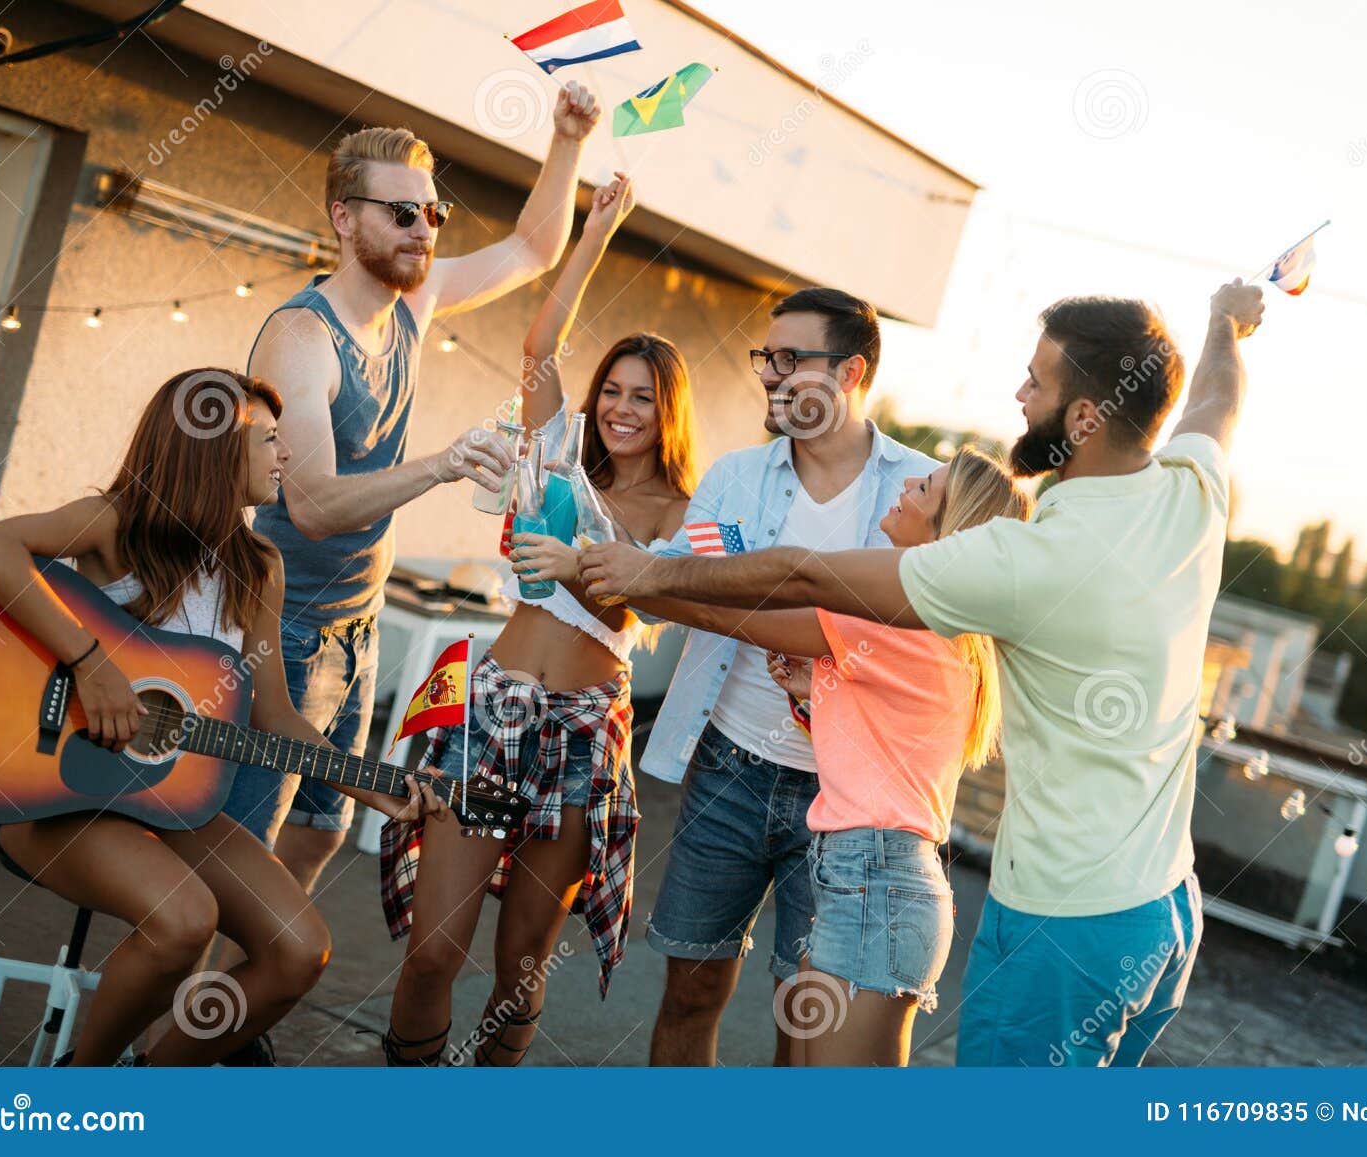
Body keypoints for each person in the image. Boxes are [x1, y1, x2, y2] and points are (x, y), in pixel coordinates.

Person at [582, 278, 1267, 1068]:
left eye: (1037, 383)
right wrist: (1226, 326)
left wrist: (647, 574)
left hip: (1061, 919)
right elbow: (1217, 399)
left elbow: (805, 578)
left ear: (1084, 417)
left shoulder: (1021, 559)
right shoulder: (1192, 493)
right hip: (1162, 909)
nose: (1019, 393)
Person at [0, 369, 444, 1066]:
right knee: (186, 919)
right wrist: (93, 665)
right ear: (214, 447)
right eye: (271, 440)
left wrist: (382, 788)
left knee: (300, 949)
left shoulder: (259, 566)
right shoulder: (114, 524)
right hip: (54, 794)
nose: (286, 456)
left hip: (163, 804)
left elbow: (275, 714)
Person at [226, 82, 602, 893]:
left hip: (356, 625)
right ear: (343, 217)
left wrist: (567, 140)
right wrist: (439, 464)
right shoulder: (301, 337)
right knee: (239, 852)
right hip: (281, 628)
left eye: (433, 215)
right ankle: (187, 1005)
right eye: (402, 213)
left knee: (319, 837)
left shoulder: (415, 301)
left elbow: (534, 249)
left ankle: (231, 1009)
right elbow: (315, 506)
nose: (422, 231)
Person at [376, 174, 699, 1066]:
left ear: (667, 411)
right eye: (615, 391)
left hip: (585, 732)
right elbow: (538, 345)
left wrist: (590, 568)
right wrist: (596, 232)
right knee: (434, 949)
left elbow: (661, 601)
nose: (623, 409)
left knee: (519, 961)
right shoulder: (559, 456)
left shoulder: (683, 512)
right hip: (496, 709)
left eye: (643, 397)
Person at [612, 287, 939, 1066]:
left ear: (851, 370)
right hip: (728, 768)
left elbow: (896, 637)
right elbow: (695, 587)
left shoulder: (923, 491)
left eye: (791, 360)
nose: (771, 375)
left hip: (846, 799)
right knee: (690, 987)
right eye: (767, 358)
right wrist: (666, 577)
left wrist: (673, 580)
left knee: (807, 1021)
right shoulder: (731, 478)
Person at [618, 448, 1030, 1065]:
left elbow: (734, 616)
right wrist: (817, 694)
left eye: (928, 490)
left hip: (876, 880)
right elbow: (890, 731)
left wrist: (627, 575)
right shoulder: (941, 628)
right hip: (860, 873)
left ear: (951, 532)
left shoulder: (894, 614)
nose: (909, 483)